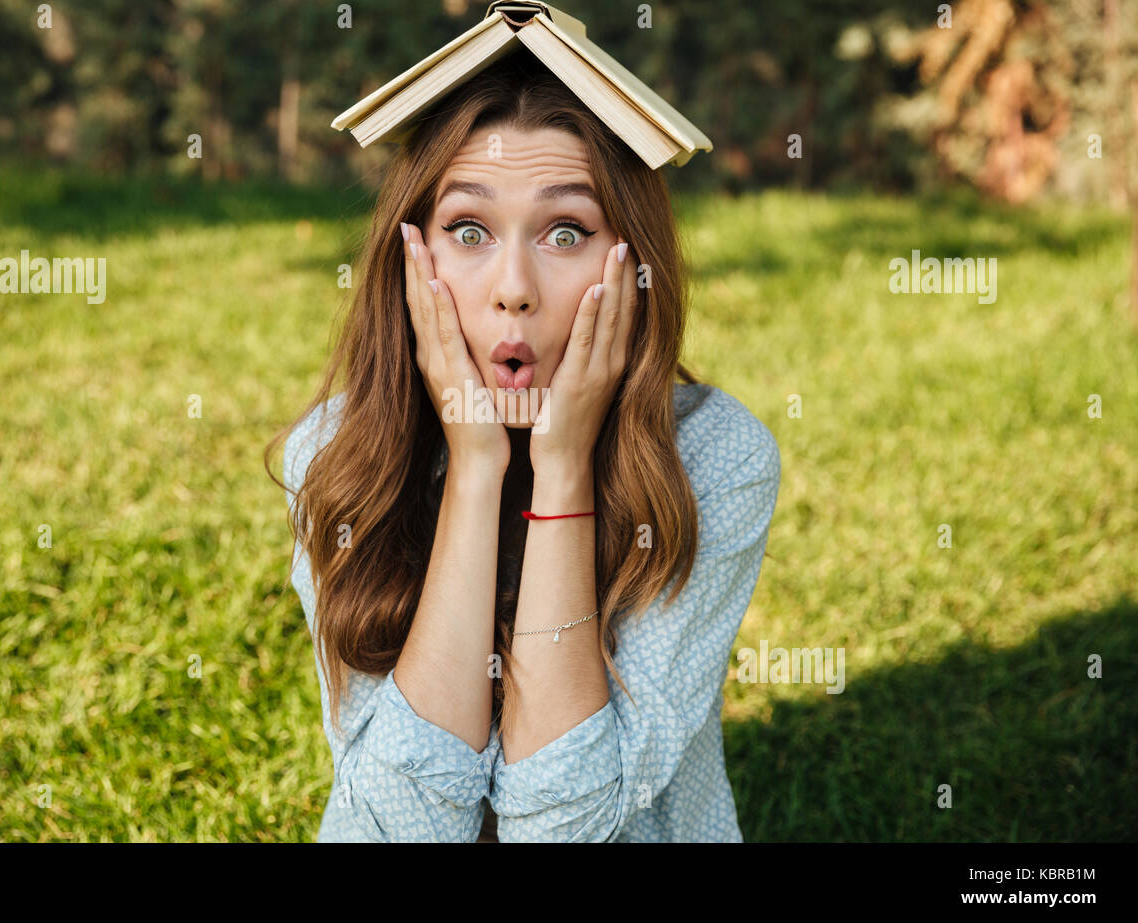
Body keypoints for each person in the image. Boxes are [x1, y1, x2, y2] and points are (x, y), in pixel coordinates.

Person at [268, 49, 781, 841]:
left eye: (565, 231)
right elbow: (406, 828)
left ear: (634, 265)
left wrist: (563, 468)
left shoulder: (717, 456)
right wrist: (477, 467)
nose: (514, 287)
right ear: (413, 258)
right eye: (468, 230)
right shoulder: (335, 454)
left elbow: (563, 825)